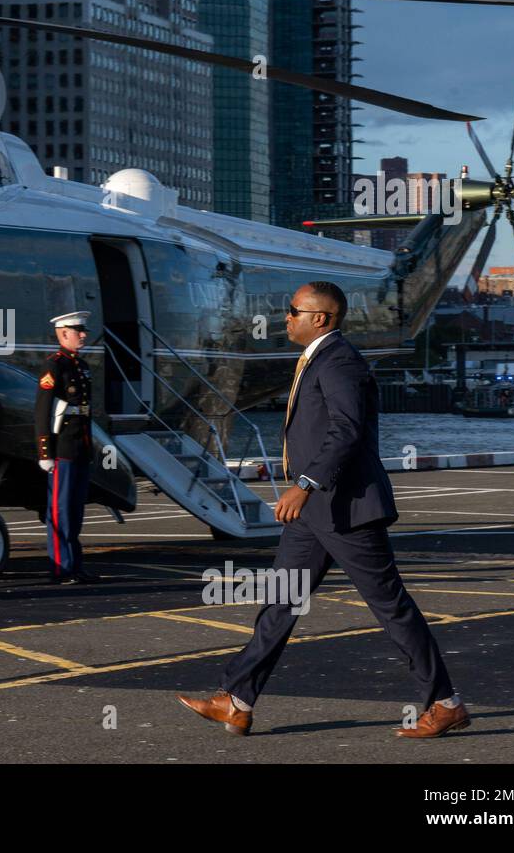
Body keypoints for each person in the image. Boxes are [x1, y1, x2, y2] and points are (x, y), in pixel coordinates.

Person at [176, 281, 468, 738]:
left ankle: (444, 701)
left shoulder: (341, 362)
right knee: (280, 602)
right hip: (316, 514)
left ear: (322, 318)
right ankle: (236, 700)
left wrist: (306, 484)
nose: (285, 317)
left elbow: (346, 431)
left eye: (293, 310)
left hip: (346, 508)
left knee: (390, 606)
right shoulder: (318, 360)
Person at [34, 310, 100, 585]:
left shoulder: (80, 366)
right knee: (60, 510)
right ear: (63, 334)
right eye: (77, 330)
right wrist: (45, 452)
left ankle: (75, 564)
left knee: (75, 509)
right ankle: (62, 567)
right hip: (61, 448)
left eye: (83, 329)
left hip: (79, 446)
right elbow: (42, 411)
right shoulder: (55, 366)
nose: (83, 334)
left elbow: (85, 411)